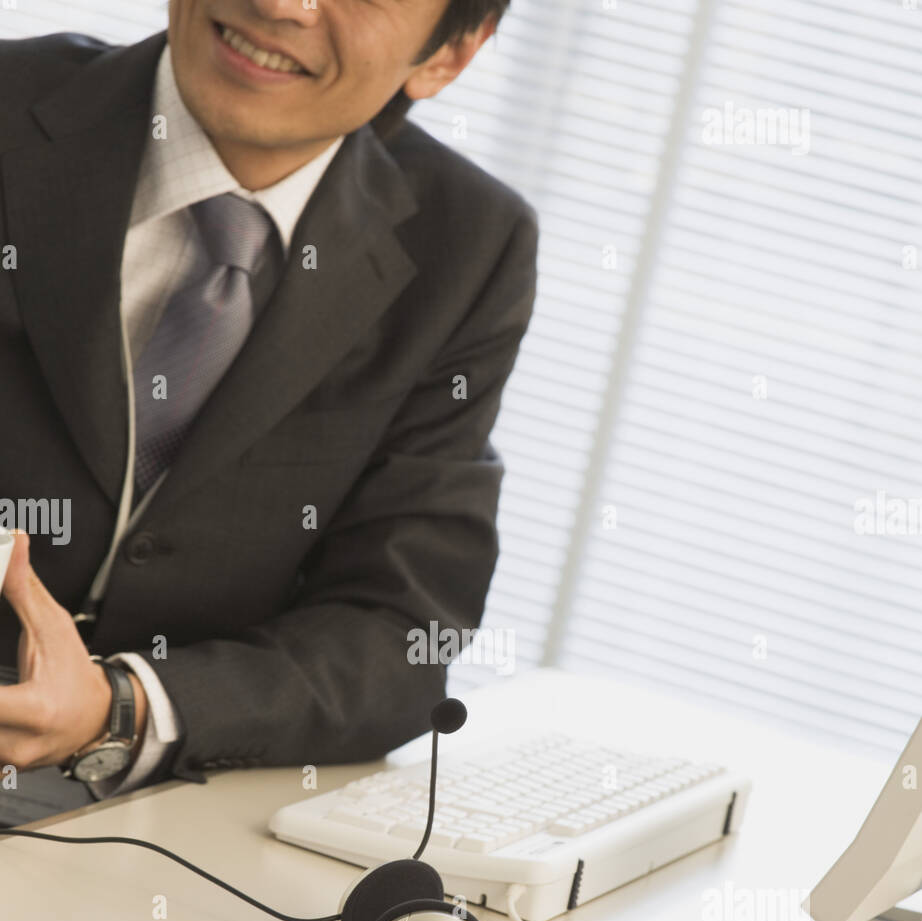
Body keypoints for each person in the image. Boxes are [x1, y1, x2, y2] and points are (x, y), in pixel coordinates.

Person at [0, 0, 538, 826]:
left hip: (158, 832)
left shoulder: (468, 244)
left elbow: (396, 635)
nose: (283, 4)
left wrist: (119, 706)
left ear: (448, 55)